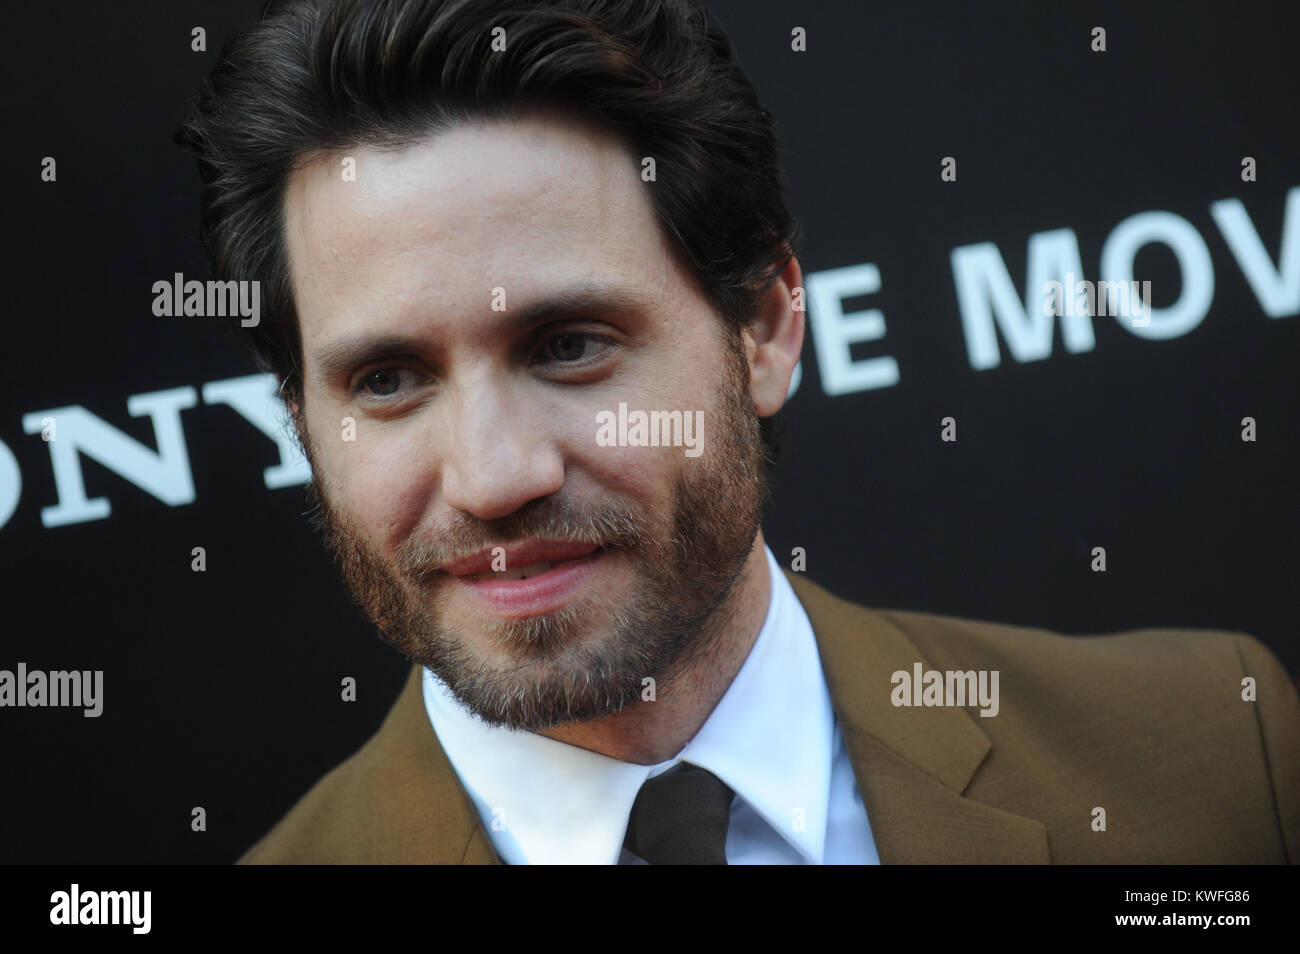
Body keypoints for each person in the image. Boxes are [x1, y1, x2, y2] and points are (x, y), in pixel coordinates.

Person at [178, 0, 1299, 864]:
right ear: (304, 423)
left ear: (763, 327)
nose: (492, 476)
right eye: (385, 380)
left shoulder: (1214, 758)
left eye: (569, 345)